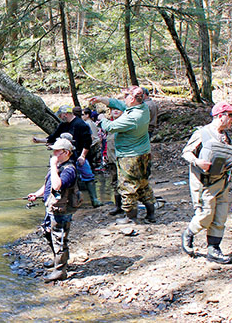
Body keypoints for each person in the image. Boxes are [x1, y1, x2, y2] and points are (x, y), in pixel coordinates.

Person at [180, 102, 232, 264]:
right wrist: (198, 162)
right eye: (231, 115)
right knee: (205, 215)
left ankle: (214, 249)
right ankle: (188, 234)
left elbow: (229, 162)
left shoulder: (226, 137)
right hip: (204, 183)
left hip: (222, 182)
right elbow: (186, 153)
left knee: (220, 217)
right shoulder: (202, 133)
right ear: (221, 116)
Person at [90, 86, 156, 223]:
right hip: (143, 153)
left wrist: (101, 118)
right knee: (143, 184)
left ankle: (130, 217)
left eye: (126, 96)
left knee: (127, 186)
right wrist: (102, 100)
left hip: (130, 156)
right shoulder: (142, 108)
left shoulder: (133, 117)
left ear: (132, 99)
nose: (124, 98)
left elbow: (110, 127)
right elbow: (119, 104)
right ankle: (151, 214)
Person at [26, 138, 80, 282]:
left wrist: (53, 166)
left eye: (57, 151)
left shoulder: (69, 170)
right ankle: (59, 260)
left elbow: (57, 186)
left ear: (66, 152)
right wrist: (37, 194)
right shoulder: (58, 167)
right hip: (52, 206)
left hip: (62, 210)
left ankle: (60, 270)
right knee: (48, 233)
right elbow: (48, 185)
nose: (53, 154)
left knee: (59, 238)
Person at [32, 105, 101, 207]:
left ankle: (94, 200)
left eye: (60, 115)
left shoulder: (81, 124)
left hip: (79, 155)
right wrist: (39, 140)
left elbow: (88, 142)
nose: (60, 117)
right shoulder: (63, 125)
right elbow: (52, 137)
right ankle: (59, 199)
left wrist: (83, 156)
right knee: (58, 176)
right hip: (64, 155)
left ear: (66, 114)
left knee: (88, 176)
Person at [105, 109, 124, 216]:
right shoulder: (110, 124)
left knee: (125, 183)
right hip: (111, 159)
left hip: (123, 160)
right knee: (114, 182)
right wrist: (105, 155)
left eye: (118, 109)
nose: (115, 111)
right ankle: (118, 206)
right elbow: (107, 142)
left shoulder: (124, 123)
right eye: (113, 109)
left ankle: (129, 208)